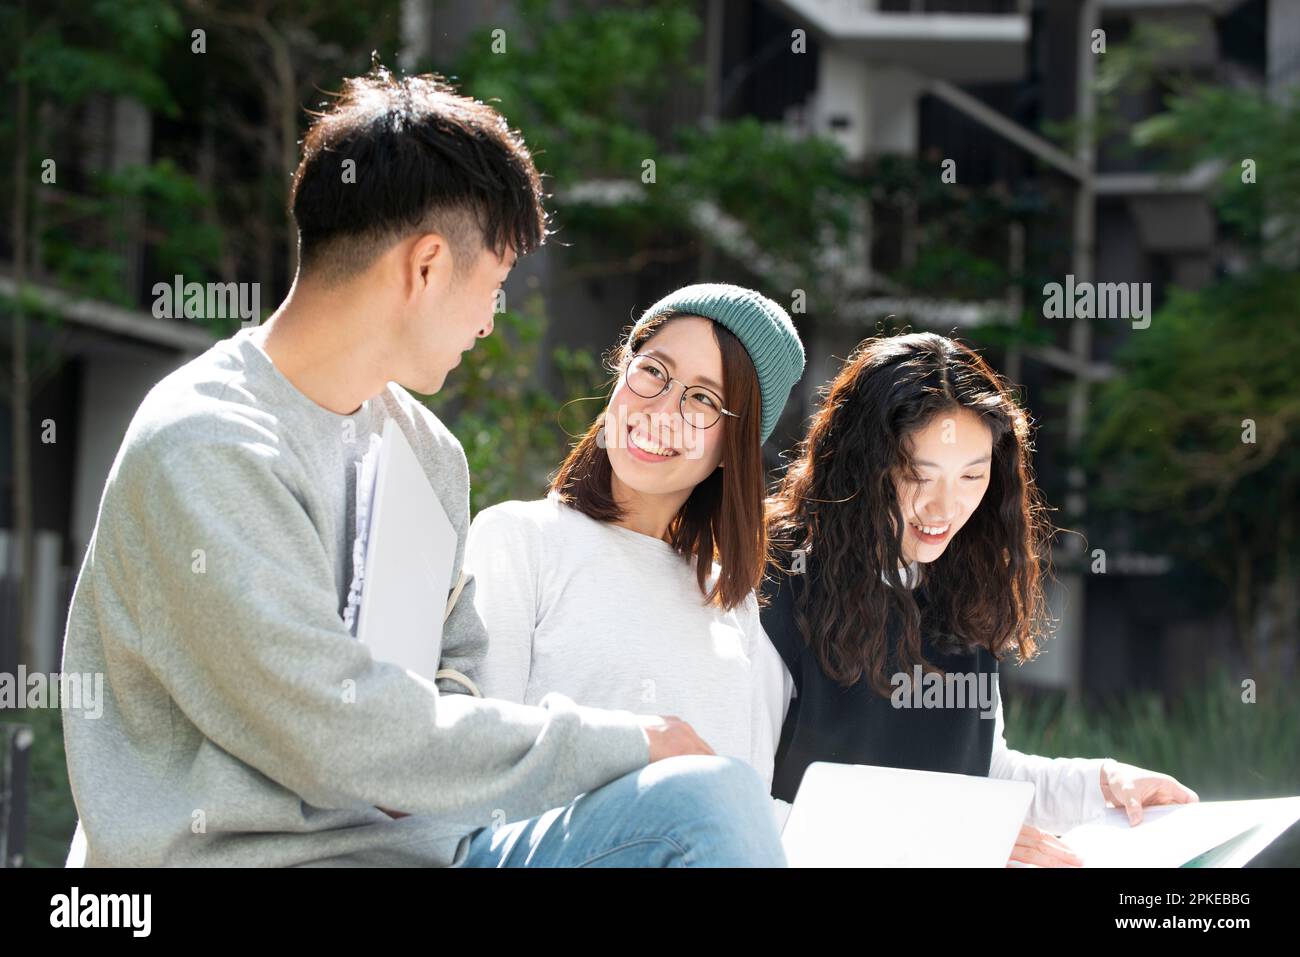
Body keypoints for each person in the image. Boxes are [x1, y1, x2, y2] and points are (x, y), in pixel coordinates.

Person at [58, 68, 784, 868]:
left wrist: (437, 735)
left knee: (712, 800)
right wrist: (627, 743)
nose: (487, 322)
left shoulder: (427, 452)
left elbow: (457, 671)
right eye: (496, 285)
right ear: (427, 266)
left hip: (432, 853)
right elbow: (332, 729)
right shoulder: (207, 444)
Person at [760, 331, 1197, 867]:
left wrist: (1102, 784)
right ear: (858, 466)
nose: (945, 506)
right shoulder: (769, 584)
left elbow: (982, 775)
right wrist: (951, 840)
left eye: (973, 475)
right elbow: (741, 809)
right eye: (917, 475)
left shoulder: (958, 591)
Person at [463, 284, 807, 844]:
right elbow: (474, 752)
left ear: (734, 448)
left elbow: (746, 812)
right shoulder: (520, 539)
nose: (662, 413)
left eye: (702, 401)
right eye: (653, 372)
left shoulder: (732, 605)